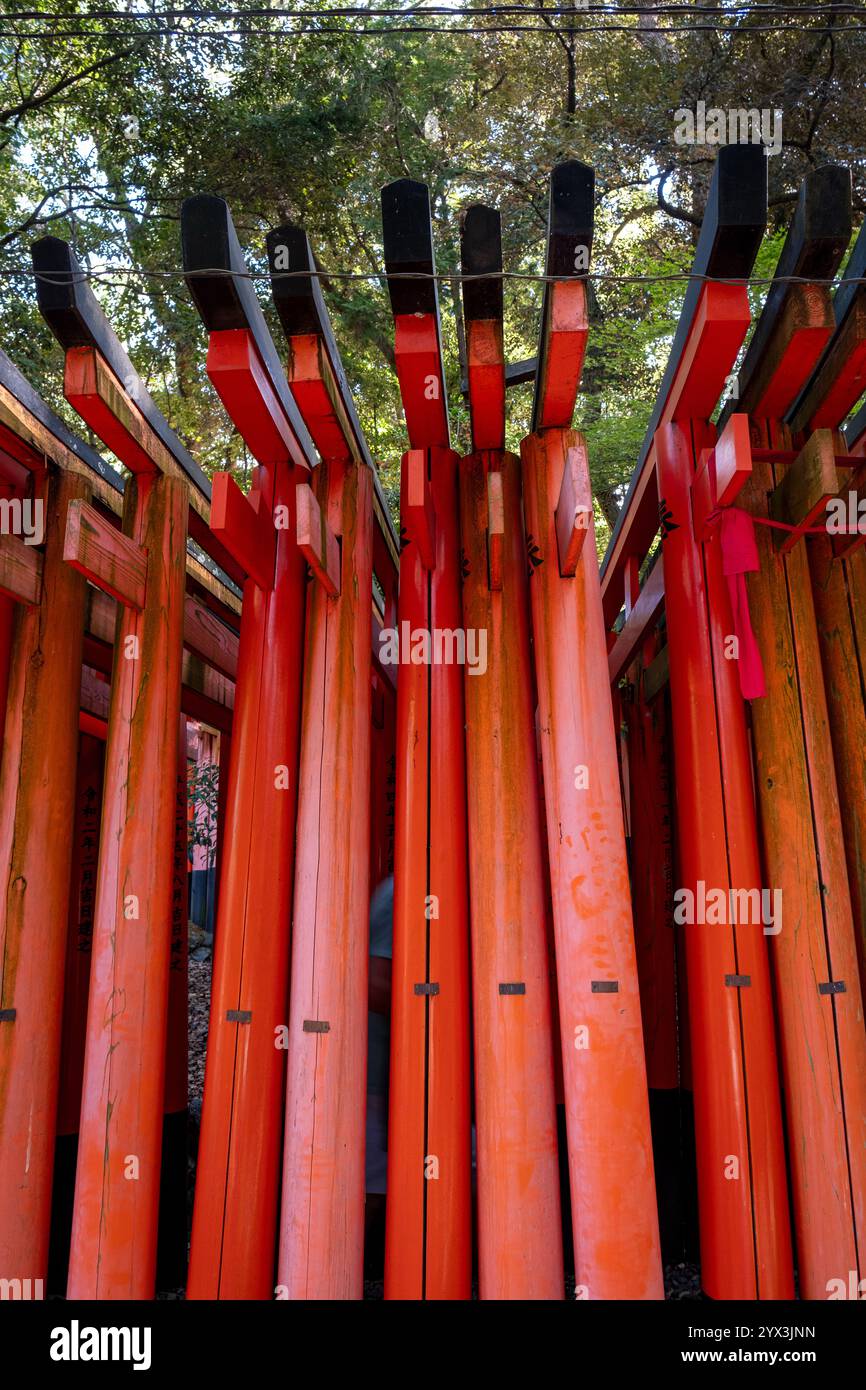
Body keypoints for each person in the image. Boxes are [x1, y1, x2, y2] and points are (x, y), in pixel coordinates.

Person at [365, 875, 393, 1277]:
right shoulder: (396, 891)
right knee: (373, 1180)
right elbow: (373, 980)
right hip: (381, 1067)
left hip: (425, 1063)